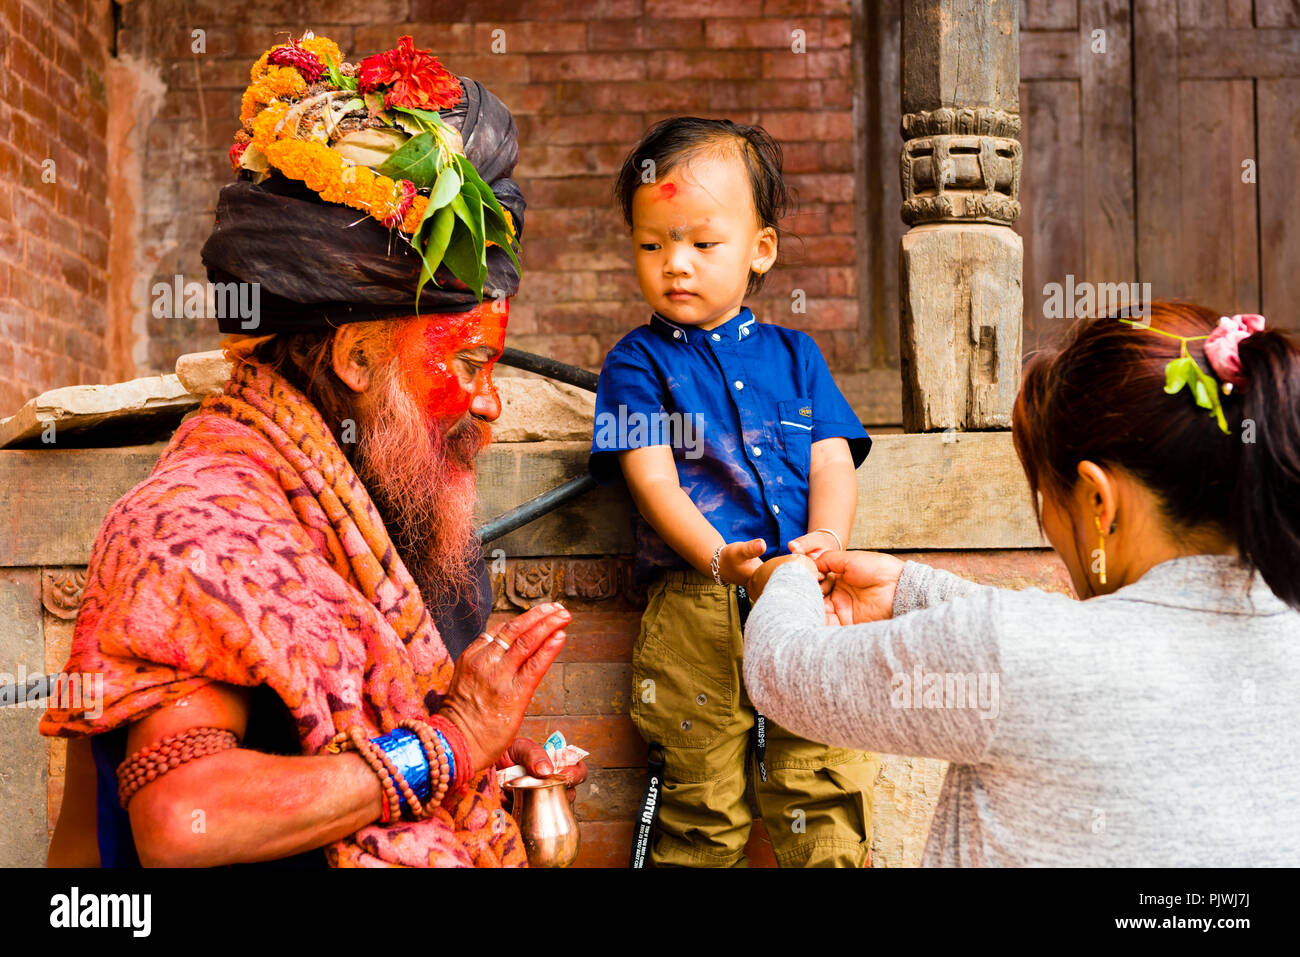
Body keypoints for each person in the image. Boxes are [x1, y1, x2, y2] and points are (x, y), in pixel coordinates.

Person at [41, 32, 585, 868]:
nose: (491, 402)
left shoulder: (370, 503)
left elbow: (364, 732)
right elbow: (184, 819)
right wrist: (448, 747)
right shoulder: (198, 526)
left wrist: (486, 768)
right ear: (356, 356)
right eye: (470, 362)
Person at [744, 301, 1300, 866]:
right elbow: (1079, 648)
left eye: (1047, 500)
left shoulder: (1011, 654)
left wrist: (787, 578)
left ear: (1098, 500)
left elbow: (783, 671)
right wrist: (914, 592)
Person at [589, 117, 880, 868]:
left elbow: (831, 463)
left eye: (701, 243)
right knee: (703, 798)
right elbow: (653, 480)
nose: (674, 264)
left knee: (820, 778)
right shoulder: (635, 363)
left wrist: (828, 543)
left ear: (761, 250)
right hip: (696, 602)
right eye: (652, 245)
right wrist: (720, 558)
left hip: (803, 589)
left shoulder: (798, 355)